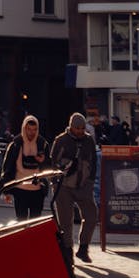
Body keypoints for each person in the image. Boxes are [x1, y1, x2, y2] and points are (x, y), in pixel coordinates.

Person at [50, 112, 99, 264]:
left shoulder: (89, 140)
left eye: (82, 128)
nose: (80, 131)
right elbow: (52, 162)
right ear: (71, 126)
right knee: (66, 221)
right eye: (77, 128)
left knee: (91, 216)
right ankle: (68, 251)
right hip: (63, 186)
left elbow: (94, 162)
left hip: (83, 186)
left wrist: (90, 182)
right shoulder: (61, 140)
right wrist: (55, 183)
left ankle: (83, 248)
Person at [0, 115, 51, 220]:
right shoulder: (16, 144)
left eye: (34, 130)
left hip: (37, 189)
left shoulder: (42, 144)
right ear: (24, 128)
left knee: (35, 222)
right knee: (21, 220)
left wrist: (43, 161)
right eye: (29, 129)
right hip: (20, 188)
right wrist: (6, 190)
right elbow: (8, 167)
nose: (32, 132)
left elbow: (49, 167)